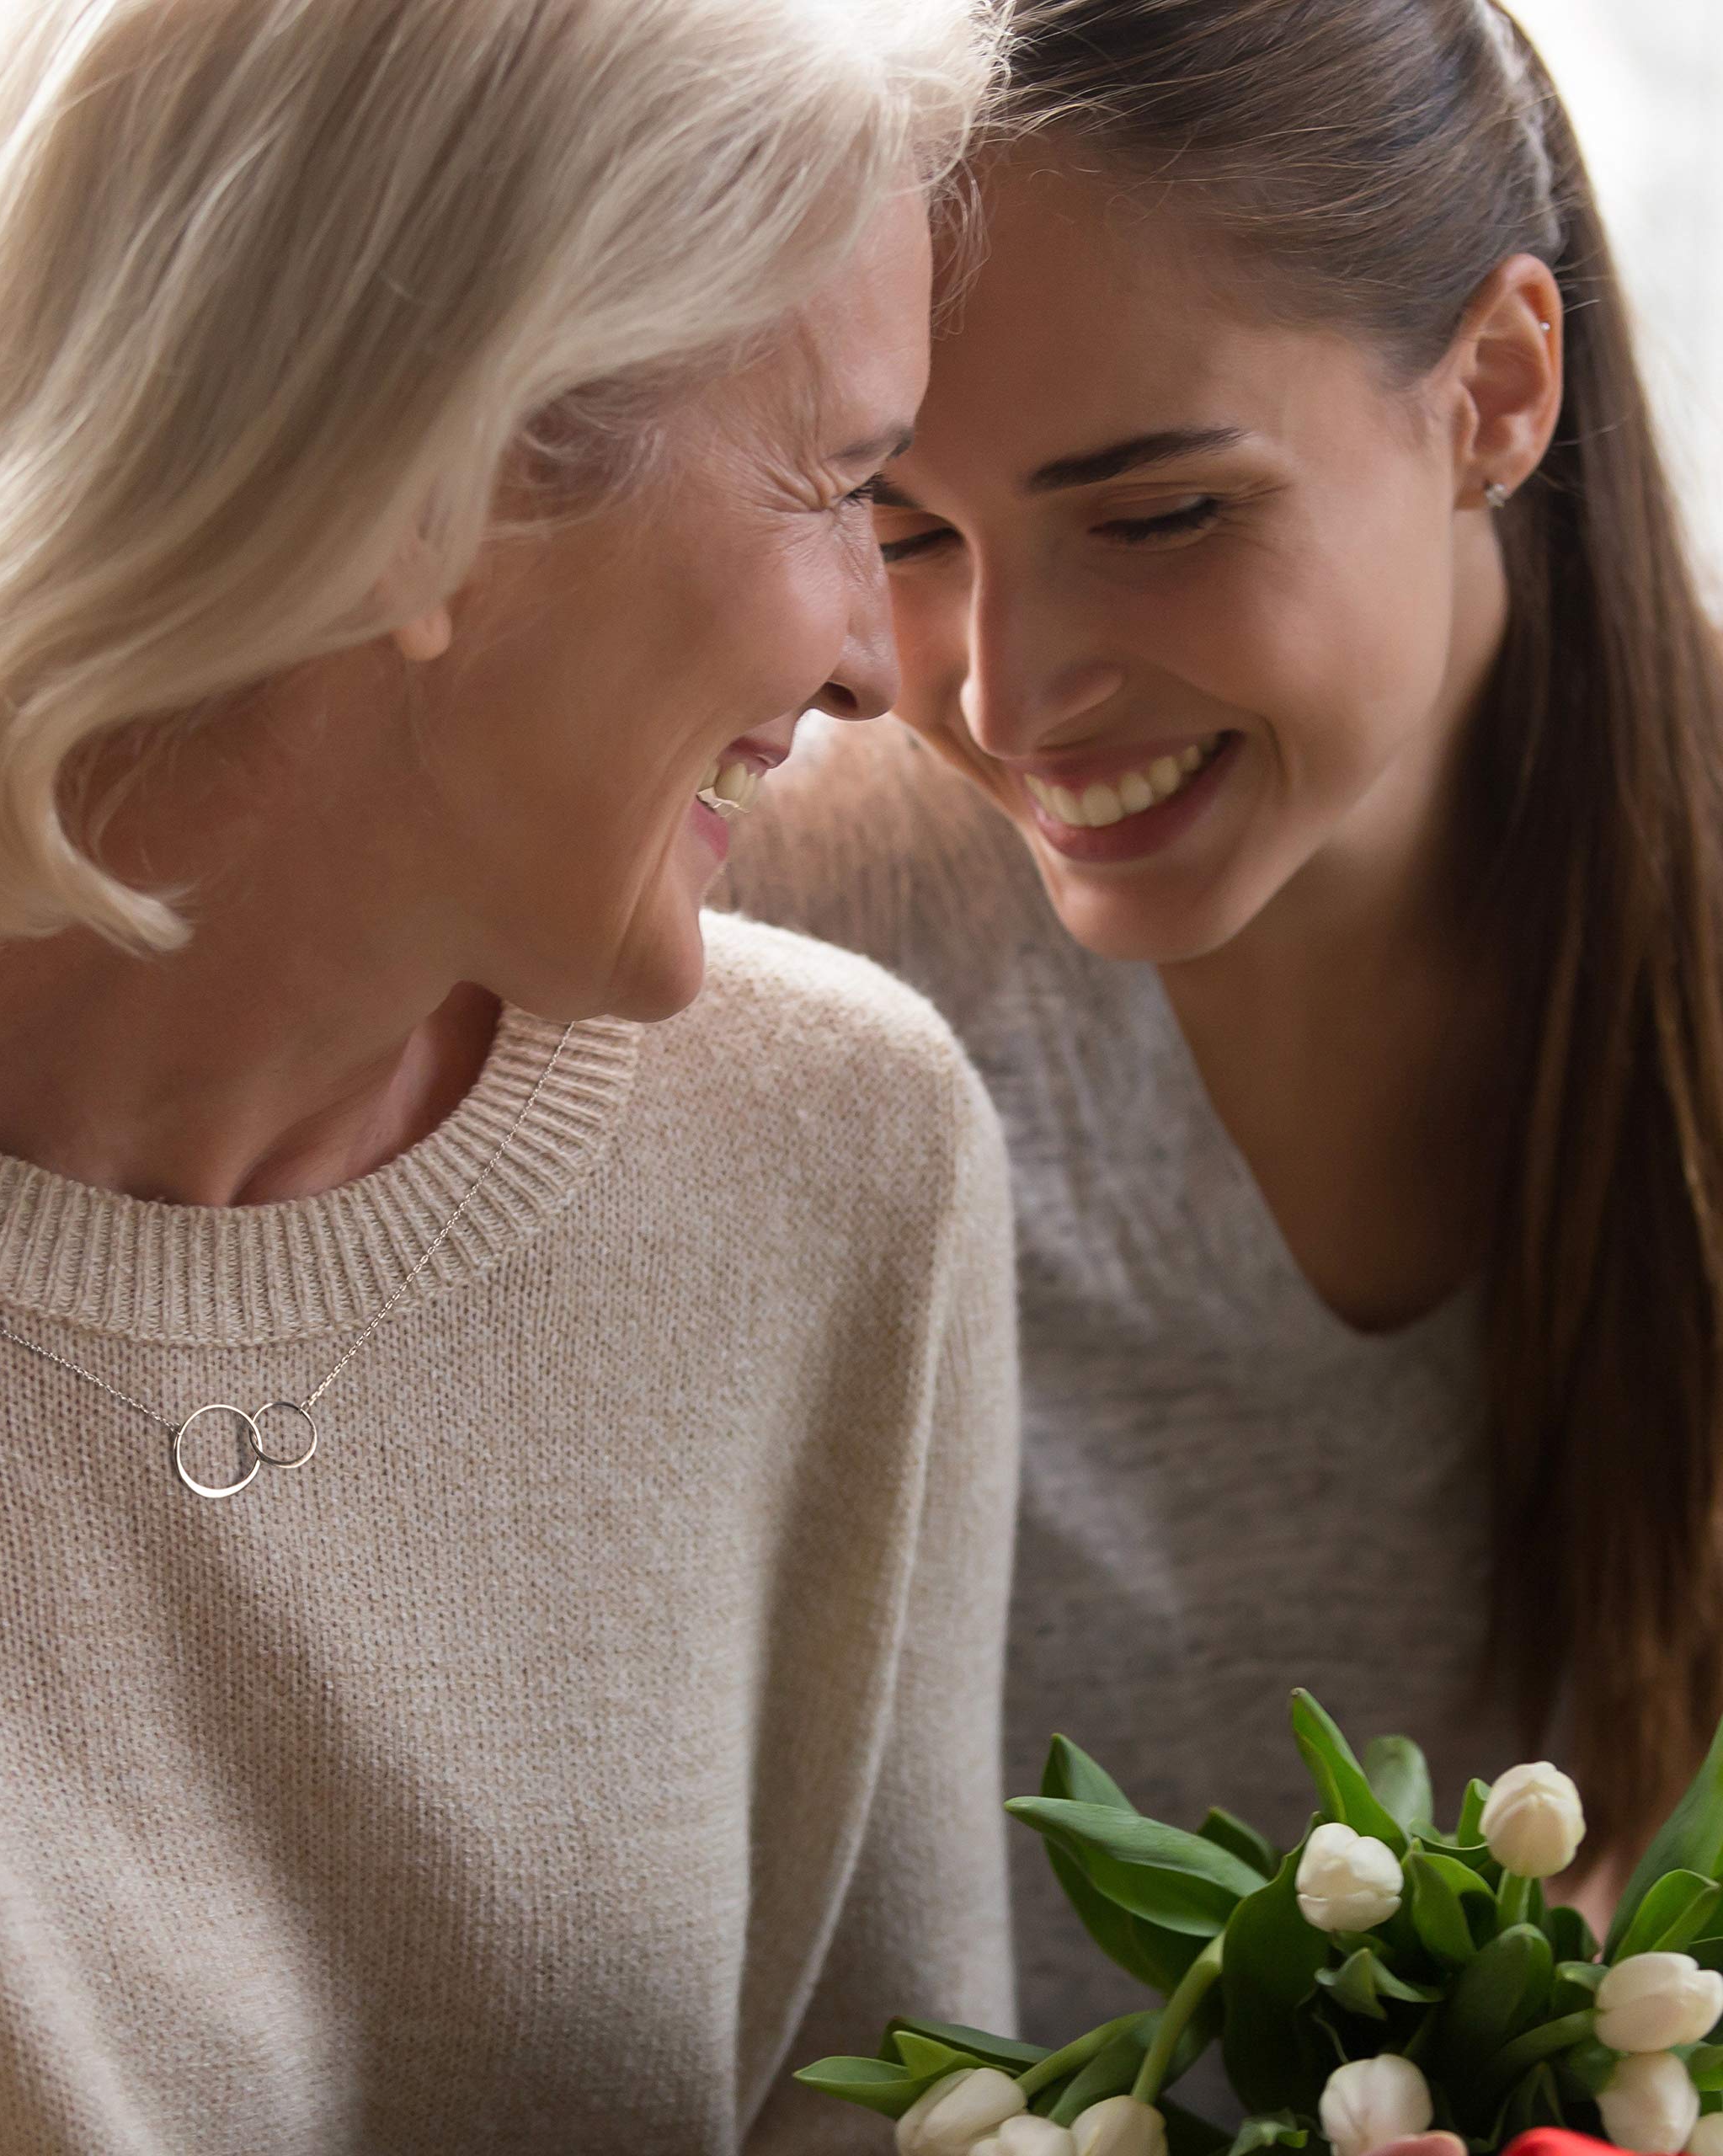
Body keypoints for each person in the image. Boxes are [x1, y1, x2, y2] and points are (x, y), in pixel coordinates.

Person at [0, 1, 1021, 2148]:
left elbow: (896, 2103)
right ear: (433, 482)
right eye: (828, 480)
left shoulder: (842, 1159)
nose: (873, 663)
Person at [727, 0, 1723, 2052]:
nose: (1001, 694)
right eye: (902, 528)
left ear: (1494, 393)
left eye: (1159, 513)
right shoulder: (778, 929)